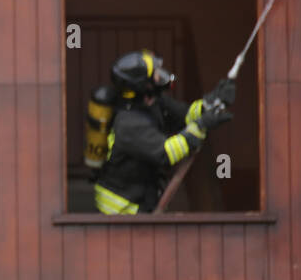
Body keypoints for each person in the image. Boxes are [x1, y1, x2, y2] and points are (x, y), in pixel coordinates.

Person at [93, 50, 235, 215]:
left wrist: (211, 102)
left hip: (141, 195)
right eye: (156, 74)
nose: (162, 76)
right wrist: (201, 125)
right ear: (142, 85)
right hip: (122, 208)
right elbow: (167, 153)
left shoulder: (153, 101)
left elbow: (186, 114)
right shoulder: (129, 124)